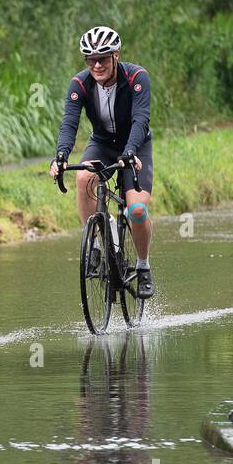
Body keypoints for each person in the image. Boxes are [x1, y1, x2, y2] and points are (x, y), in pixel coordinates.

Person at [49, 25, 155, 298]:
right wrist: (61, 156)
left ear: (116, 56)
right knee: (84, 177)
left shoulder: (137, 77)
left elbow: (140, 119)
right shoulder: (80, 83)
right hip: (102, 144)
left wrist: (130, 151)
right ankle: (98, 242)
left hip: (136, 145)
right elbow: (69, 123)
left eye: (103, 58)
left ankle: (143, 266)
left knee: (138, 211)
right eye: (91, 59)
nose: (97, 65)